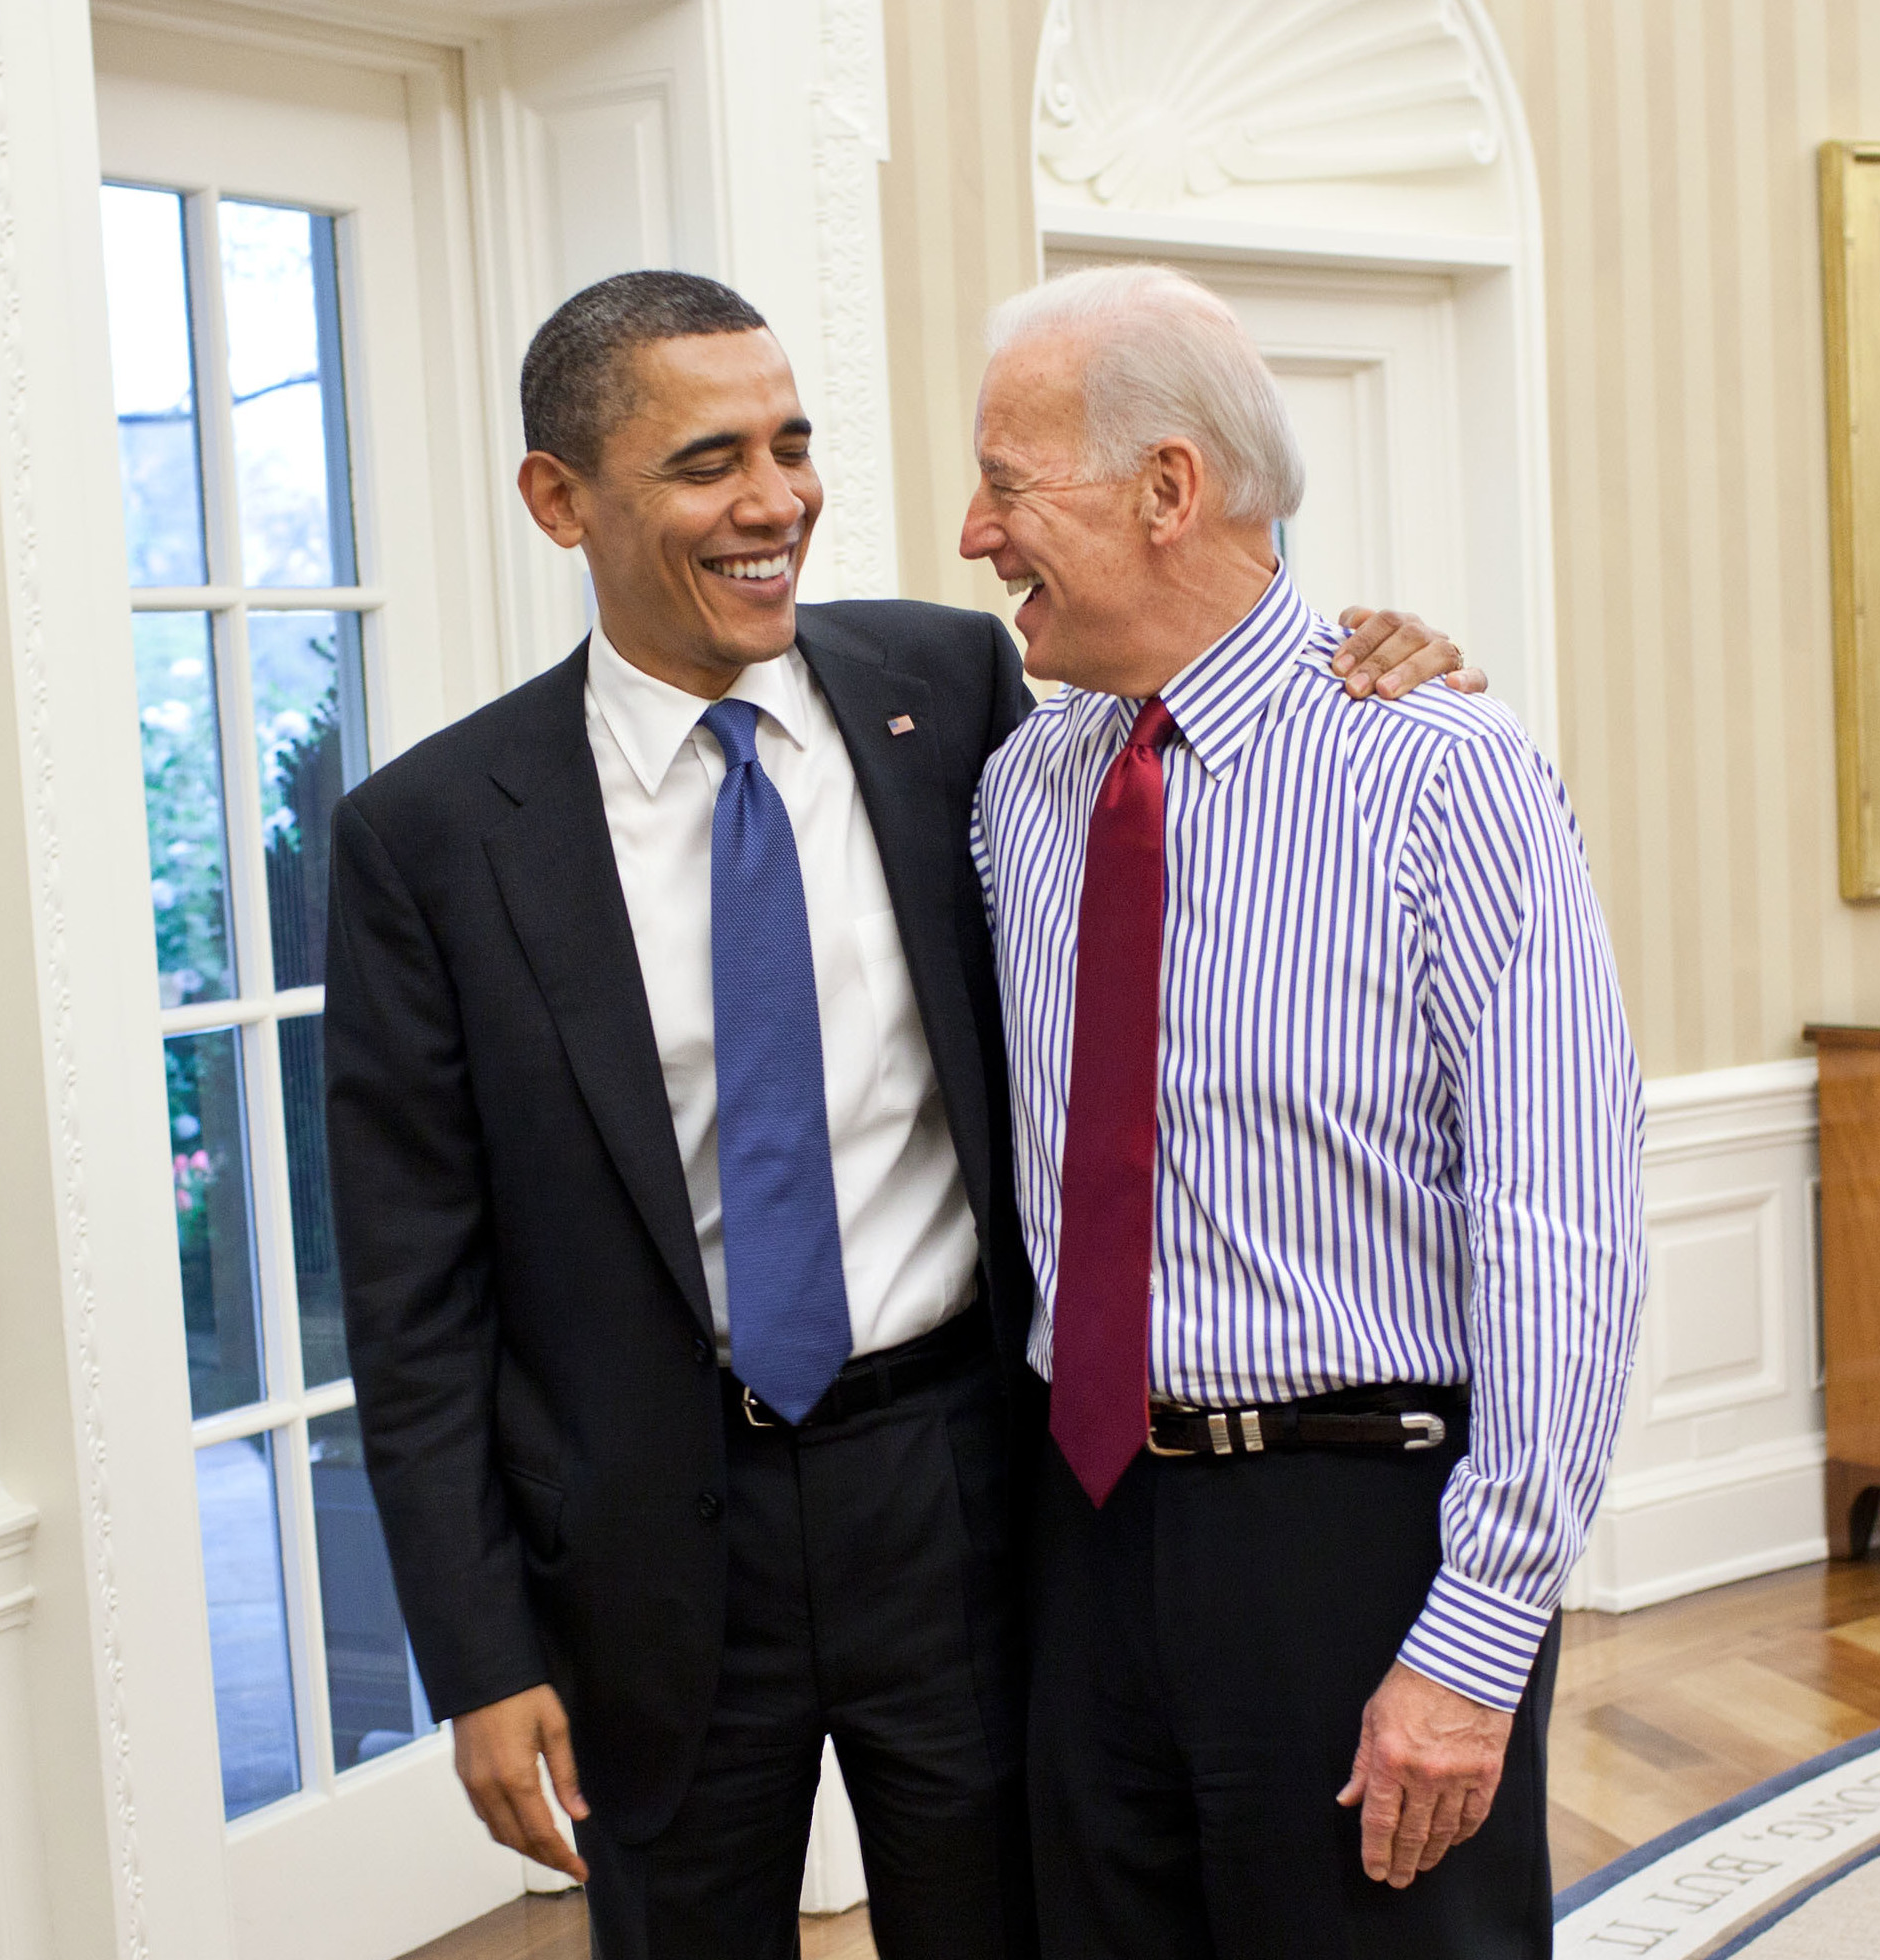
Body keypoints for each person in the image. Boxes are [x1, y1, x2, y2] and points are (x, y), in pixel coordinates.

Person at [322, 268, 1476, 1960]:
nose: (773, 501)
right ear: (557, 500)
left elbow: (1193, 711)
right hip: (650, 1541)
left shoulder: (948, 696)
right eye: (707, 461)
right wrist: (480, 1655)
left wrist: (1360, 646)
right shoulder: (428, 838)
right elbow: (413, 1300)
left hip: (959, 1495)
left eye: (791, 445)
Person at [965, 263, 1647, 1959]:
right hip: (1084, 1525)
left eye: (1004, 486)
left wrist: (1474, 1641)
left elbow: (1562, 1225)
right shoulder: (1018, 785)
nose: (975, 536)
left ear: (1168, 490)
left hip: (1354, 1540)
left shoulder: (1445, 774)